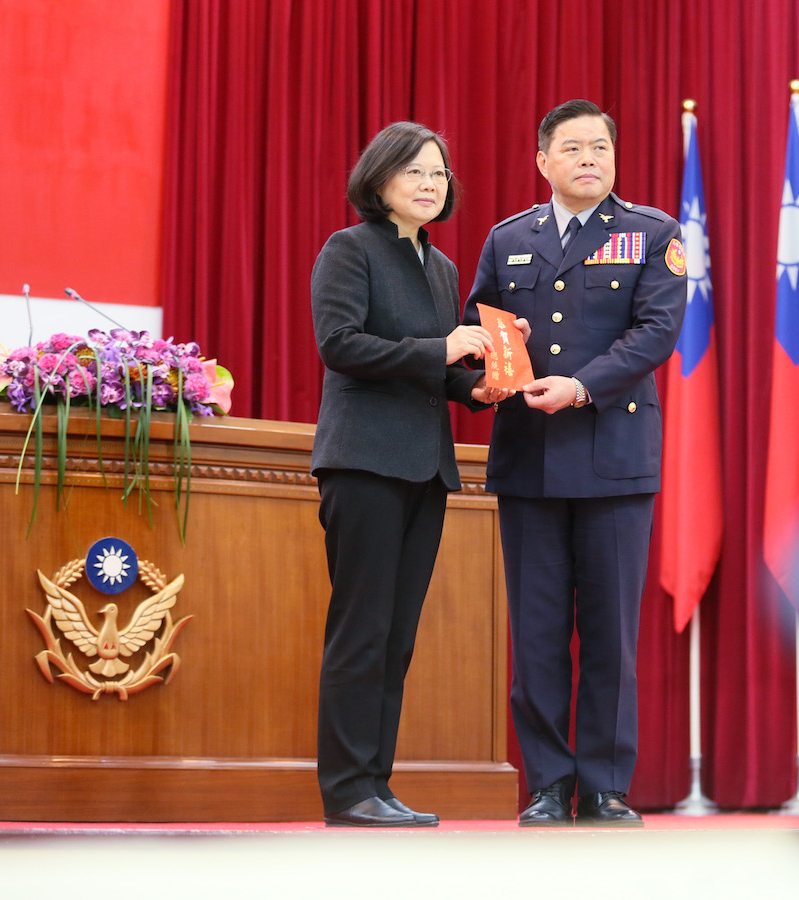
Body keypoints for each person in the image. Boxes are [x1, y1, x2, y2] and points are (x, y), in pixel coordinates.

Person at [464, 99, 688, 826]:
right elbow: (479, 332)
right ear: (543, 161)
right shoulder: (508, 239)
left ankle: (606, 786)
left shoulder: (653, 233)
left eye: (600, 146)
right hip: (529, 459)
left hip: (615, 457)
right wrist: (498, 354)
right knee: (535, 635)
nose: (589, 158)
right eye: (573, 147)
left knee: (610, 635)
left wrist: (583, 385)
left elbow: (658, 331)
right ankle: (547, 786)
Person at [310, 121, 512, 827]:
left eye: (439, 174)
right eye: (416, 172)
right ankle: (347, 790)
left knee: (397, 636)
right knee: (360, 628)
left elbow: (438, 367)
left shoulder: (442, 266)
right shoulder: (349, 249)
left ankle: (378, 783)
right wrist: (441, 349)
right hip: (362, 460)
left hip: (427, 468)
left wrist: (473, 388)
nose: (431, 184)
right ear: (380, 178)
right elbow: (341, 345)